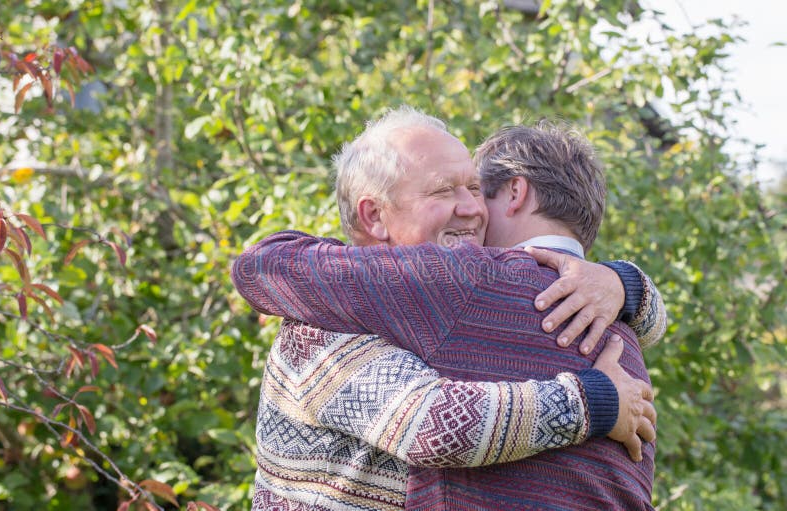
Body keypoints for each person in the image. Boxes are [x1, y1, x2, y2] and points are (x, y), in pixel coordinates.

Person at [232, 107, 665, 510]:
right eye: (444, 190)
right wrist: (597, 399)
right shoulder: (319, 331)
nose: (474, 209)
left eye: (475, 188)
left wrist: (624, 284)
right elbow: (432, 424)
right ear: (375, 217)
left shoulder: (573, 305)